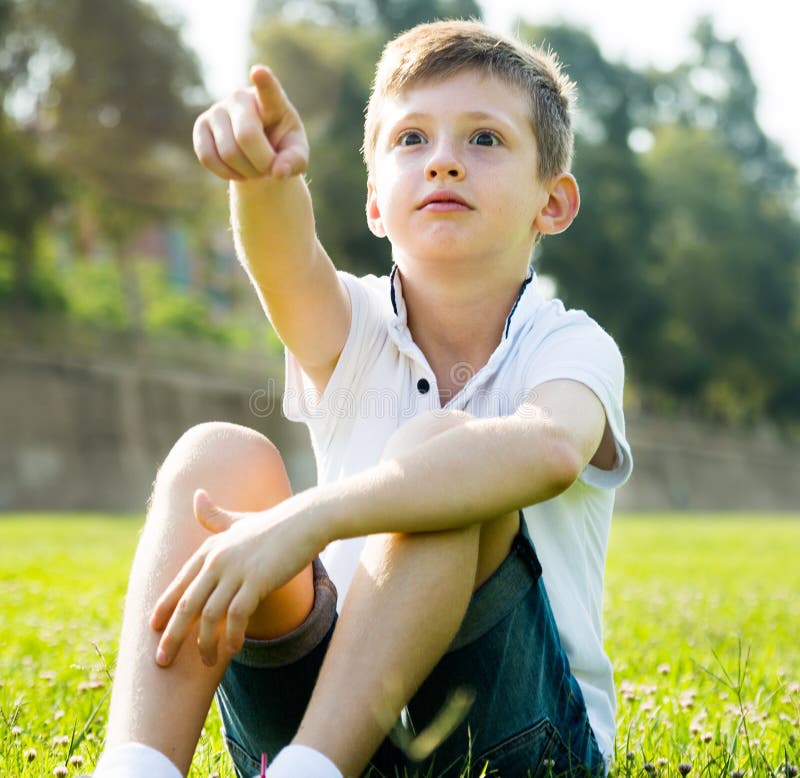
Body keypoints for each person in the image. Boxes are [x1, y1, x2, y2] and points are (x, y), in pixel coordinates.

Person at [86, 19, 632, 778]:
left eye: (484, 139)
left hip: (519, 737)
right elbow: (286, 269)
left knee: (444, 459)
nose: (443, 160)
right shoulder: (356, 327)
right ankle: (138, 766)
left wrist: (307, 519)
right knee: (218, 454)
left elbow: (548, 449)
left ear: (554, 202)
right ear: (375, 201)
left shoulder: (572, 344)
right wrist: (264, 179)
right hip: (328, 722)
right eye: (411, 139)